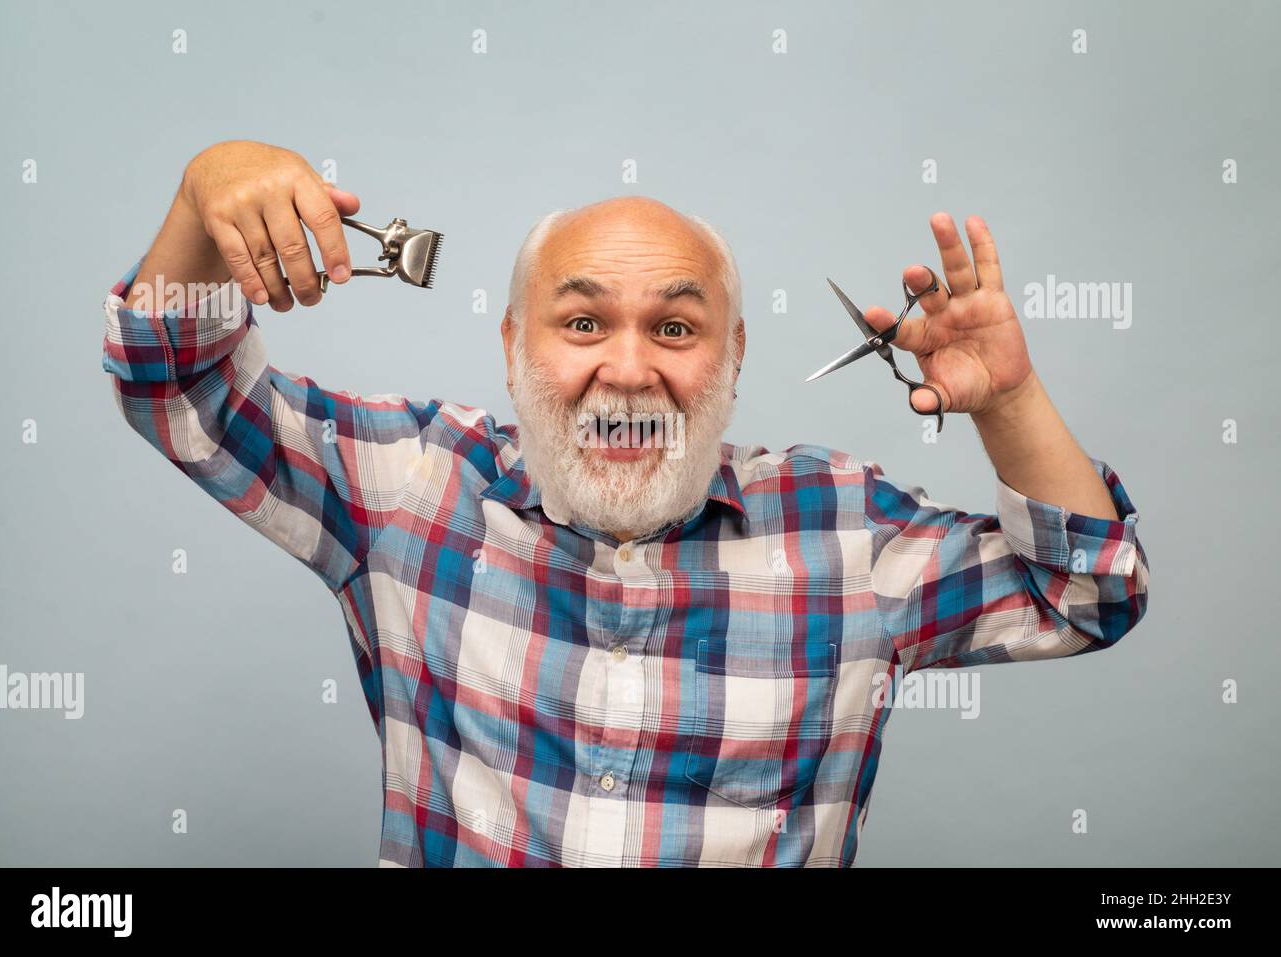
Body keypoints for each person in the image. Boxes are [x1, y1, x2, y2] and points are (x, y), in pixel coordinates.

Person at [101, 139, 1149, 867]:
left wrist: (1006, 401)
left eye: (678, 330)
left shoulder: (844, 533)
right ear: (514, 348)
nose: (631, 369)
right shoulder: (407, 490)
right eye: (583, 324)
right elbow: (173, 384)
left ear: (732, 358)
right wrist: (206, 191)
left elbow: (1089, 595)